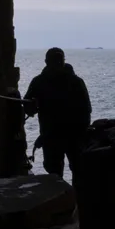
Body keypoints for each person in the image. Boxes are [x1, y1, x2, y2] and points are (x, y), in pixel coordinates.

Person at [23, 48, 91, 183]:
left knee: (55, 173)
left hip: (53, 135)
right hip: (72, 135)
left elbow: (28, 108)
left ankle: (64, 201)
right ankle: (77, 201)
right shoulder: (76, 81)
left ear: (46, 62)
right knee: (77, 170)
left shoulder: (39, 82)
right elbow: (86, 110)